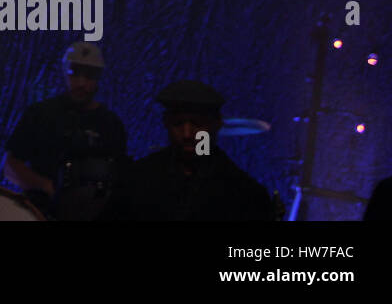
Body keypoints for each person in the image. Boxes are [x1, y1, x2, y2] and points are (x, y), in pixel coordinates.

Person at [101, 80, 273, 221]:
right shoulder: (138, 180)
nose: (187, 134)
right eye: (178, 124)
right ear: (166, 123)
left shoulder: (243, 193)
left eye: (197, 124)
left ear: (216, 125)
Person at [3, 41, 127, 219]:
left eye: (89, 75)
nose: (81, 83)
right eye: (74, 73)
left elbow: (120, 177)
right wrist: (46, 186)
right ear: (64, 72)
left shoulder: (111, 123)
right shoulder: (41, 114)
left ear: (99, 77)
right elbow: (10, 166)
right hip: (42, 212)